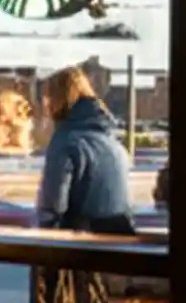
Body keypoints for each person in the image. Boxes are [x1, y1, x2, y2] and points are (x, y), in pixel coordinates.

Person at [34, 65, 135, 303]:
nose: (45, 106)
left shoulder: (67, 140)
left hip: (81, 255)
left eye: (47, 98)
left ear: (56, 100)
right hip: (117, 252)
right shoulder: (112, 141)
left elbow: (53, 206)